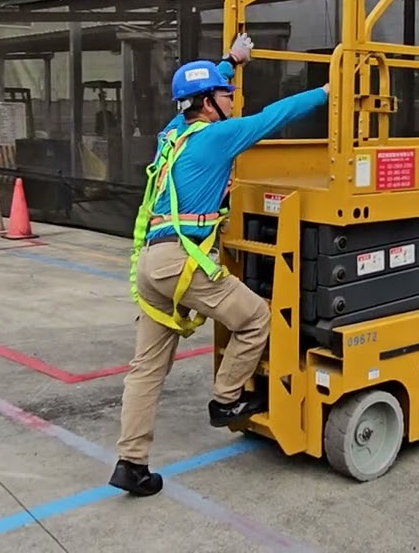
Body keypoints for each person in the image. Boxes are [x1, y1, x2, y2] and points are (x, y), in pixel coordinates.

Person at [109, 39, 330, 498]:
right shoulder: (217, 136)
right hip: (180, 264)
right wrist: (329, 90)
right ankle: (226, 399)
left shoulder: (174, 134)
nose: (233, 97)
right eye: (225, 92)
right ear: (208, 104)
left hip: (152, 265)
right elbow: (276, 116)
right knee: (256, 319)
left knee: (146, 369)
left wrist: (230, 61)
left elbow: (201, 87)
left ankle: (131, 463)